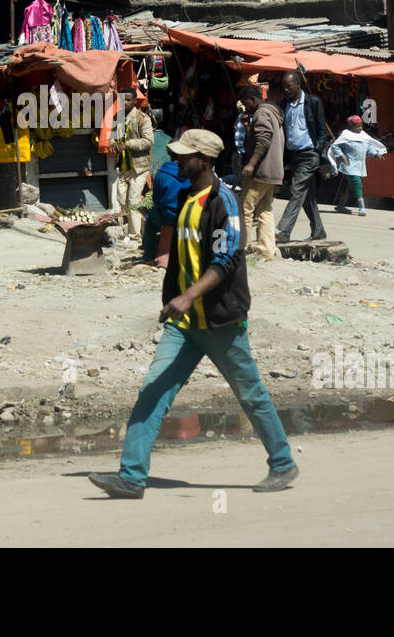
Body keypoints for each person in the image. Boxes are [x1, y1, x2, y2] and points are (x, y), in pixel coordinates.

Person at [88, 129, 298, 499]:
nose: (177, 161)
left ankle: (282, 463)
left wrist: (187, 296)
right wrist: (176, 299)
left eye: (185, 157)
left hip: (220, 321)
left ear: (205, 160)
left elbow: (227, 259)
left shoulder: (224, 203)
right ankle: (132, 477)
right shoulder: (186, 197)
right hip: (184, 325)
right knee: (152, 392)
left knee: (250, 394)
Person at [274, 71, 328, 242]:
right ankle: (318, 231)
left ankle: (284, 231)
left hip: (309, 154)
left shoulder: (313, 102)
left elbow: (322, 130)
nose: (286, 89)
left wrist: (317, 151)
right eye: (284, 86)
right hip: (294, 156)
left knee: (296, 190)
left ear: (298, 84)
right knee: (307, 195)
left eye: (288, 86)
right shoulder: (284, 104)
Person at [237, 85, 284, 256]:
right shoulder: (272, 112)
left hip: (261, 171)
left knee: (245, 208)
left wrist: (250, 164)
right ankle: (266, 250)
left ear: (253, 99)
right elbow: (260, 137)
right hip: (273, 171)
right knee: (264, 209)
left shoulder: (262, 113)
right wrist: (248, 127)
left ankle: (239, 249)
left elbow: (263, 140)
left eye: (246, 103)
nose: (246, 107)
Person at [110, 88, 154, 240]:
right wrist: (113, 144)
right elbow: (112, 136)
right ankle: (140, 227)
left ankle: (135, 235)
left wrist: (127, 144)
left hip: (139, 167)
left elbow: (149, 141)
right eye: (123, 100)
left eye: (129, 100)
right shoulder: (117, 117)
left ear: (135, 101)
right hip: (123, 167)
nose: (126, 103)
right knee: (122, 200)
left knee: (133, 201)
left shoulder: (143, 119)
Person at [327, 115, 387, 215]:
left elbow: (368, 148)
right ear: (351, 126)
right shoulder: (346, 135)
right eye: (357, 126)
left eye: (361, 126)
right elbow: (335, 147)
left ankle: (341, 205)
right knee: (357, 184)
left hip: (359, 165)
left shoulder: (363, 135)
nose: (360, 128)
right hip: (348, 165)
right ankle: (361, 207)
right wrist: (342, 156)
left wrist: (377, 155)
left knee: (351, 186)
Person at [140, 159, 189, 268]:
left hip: (167, 216)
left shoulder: (162, 173)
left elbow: (156, 199)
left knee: (149, 221)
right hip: (188, 214)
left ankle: (149, 257)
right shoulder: (193, 170)